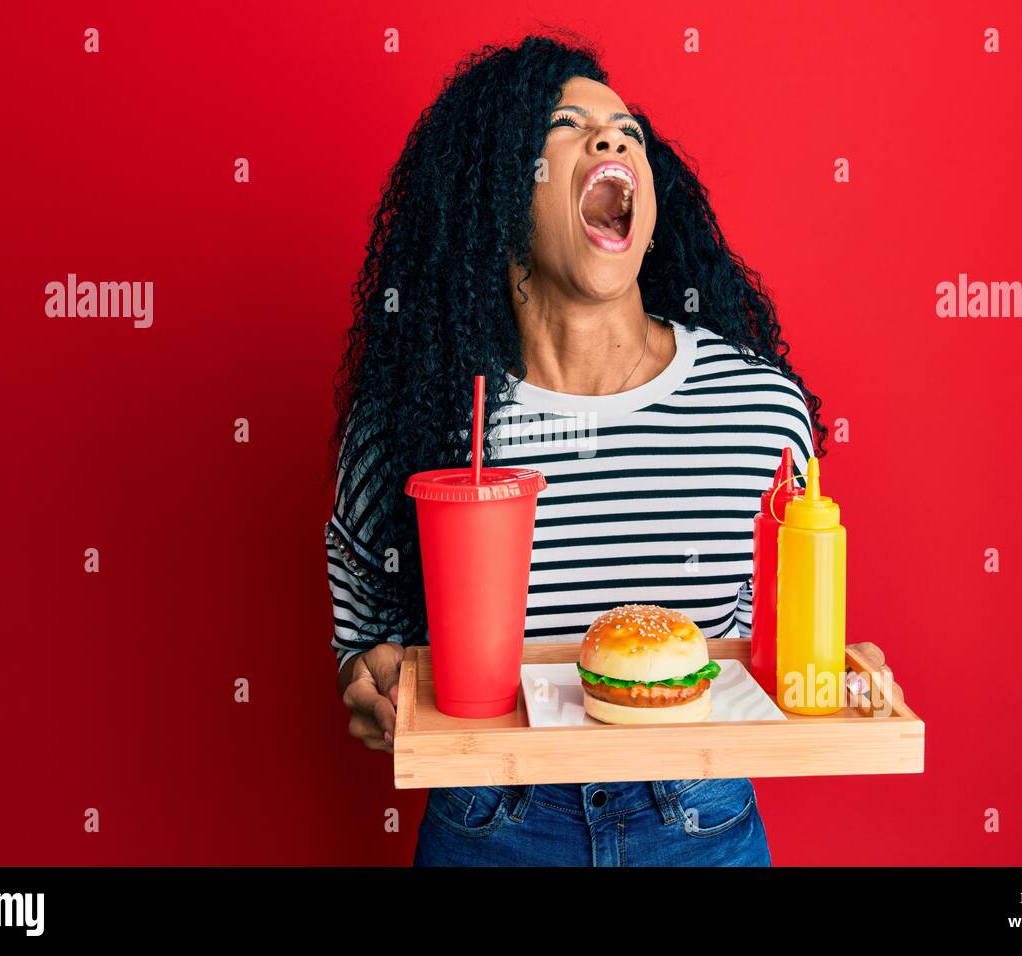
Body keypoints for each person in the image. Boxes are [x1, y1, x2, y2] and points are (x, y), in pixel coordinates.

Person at [328, 35, 825, 866]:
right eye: (567, 125)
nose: (613, 138)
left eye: (627, 130)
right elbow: (368, 633)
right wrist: (369, 678)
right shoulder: (407, 425)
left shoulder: (759, 412)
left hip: (698, 820)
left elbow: (774, 647)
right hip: (492, 822)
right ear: (492, 192)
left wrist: (834, 665)